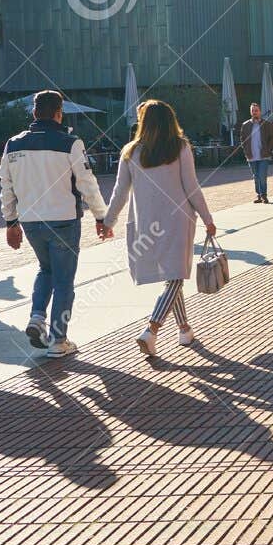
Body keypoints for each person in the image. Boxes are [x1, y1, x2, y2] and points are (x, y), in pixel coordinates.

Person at [102, 99, 216, 362]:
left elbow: (120, 191)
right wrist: (207, 217)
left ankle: (184, 329)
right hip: (179, 220)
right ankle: (151, 329)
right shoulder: (180, 147)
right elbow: (192, 186)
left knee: (172, 277)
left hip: (147, 223)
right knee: (175, 277)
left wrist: (108, 222)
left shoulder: (131, 151)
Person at [0, 89, 110, 359]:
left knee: (45, 270)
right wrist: (101, 216)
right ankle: (59, 340)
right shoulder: (70, 142)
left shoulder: (13, 144)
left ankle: (37, 316)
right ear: (59, 113)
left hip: (30, 221)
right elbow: (86, 182)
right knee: (63, 281)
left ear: (34, 113)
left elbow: (6, 186)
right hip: (63, 220)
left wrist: (10, 220)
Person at [242, 102, 273, 203]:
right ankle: (258, 195)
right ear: (250, 112)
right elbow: (242, 139)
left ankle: (264, 195)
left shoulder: (266, 124)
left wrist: (269, 149)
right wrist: (246, 150)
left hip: (264, 155)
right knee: (256, 176)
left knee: (262, 176)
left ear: (260, 112)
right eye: (253, 111)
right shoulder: (246, 125)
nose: (254, 112)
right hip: (251, 156)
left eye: (256, 110)